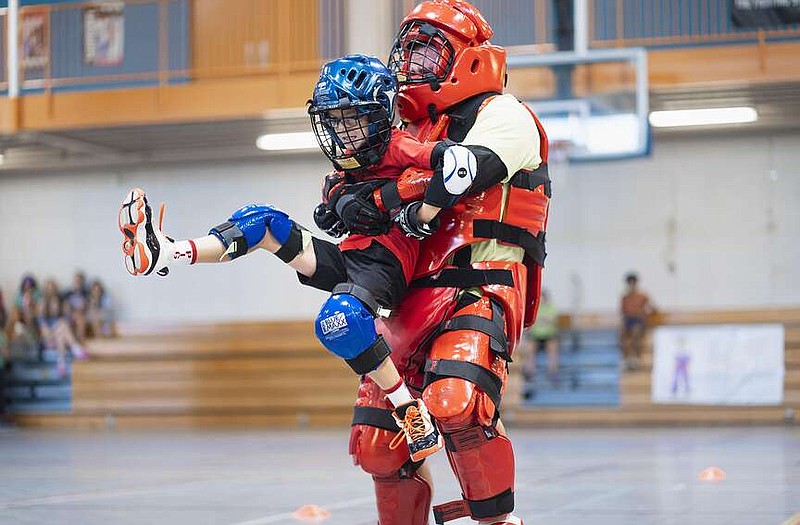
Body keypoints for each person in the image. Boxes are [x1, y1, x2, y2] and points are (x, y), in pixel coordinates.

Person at [119, 54, 451, 463]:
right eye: (335, 121)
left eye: (352, 119)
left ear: (380, 114)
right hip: (349, 260)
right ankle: (167, 252)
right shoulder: (347, 167)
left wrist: (409, 207)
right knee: (262, 222)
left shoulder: (401, 147)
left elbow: (452, 167)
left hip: (385, 266)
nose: (343, 132)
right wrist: (337, 199)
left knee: (339, 321)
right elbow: (333, 198)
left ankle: (408, 409)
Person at [326, 2, 551, 523]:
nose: (409, 66)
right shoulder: (406, 128)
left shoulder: (503, 114)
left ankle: (498, 520)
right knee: (377, 444)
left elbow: (468, 171)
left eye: (426, 52)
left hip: (480, 281)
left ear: (469, 59)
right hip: (409, 297)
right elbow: (347, 181)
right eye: (405, 52)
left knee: (459, 403)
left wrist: (385, 194)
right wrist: (343, 198)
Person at [521, 289, 560, 384]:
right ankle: (530, 372)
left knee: (553, 351)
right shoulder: (535, 307)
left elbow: (550, 319)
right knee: (529, 351)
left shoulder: (551, 307)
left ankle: (553, 372)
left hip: (549, 334)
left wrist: (540, 320)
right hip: (536, 335)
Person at [620, 272, 656, 371]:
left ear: (636, 283)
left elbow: (651, 308)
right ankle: (626, 359)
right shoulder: (625, 298)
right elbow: (623, 312)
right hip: (628, 320)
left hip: (639, 320)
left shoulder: (642, 296)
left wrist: (646, 313)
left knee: (636, 331)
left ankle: (635, 358)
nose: (632, 285)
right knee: (621, 334)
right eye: (630, 283)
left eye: (633, 283)